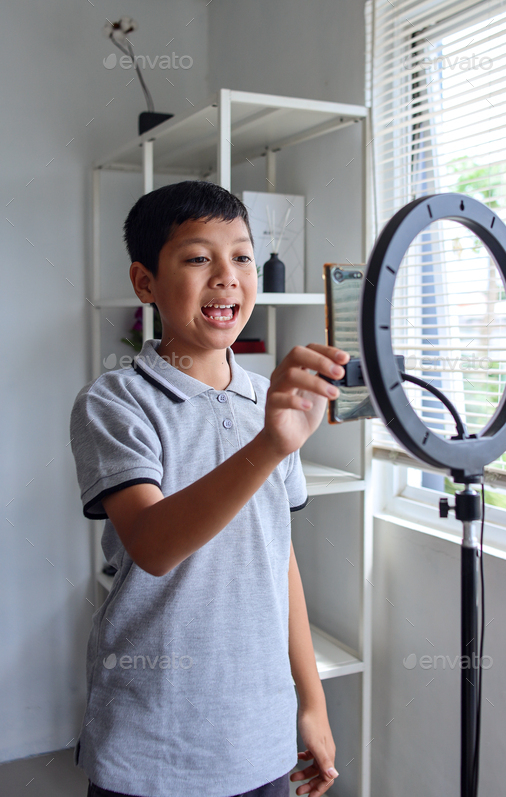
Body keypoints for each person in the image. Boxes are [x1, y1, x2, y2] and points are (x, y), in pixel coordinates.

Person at [69, 180, 348, 797]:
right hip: (152, 739)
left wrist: (312, 698)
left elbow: (281, 559)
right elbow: (152, 544)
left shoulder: (269, 403)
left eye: (242, 257)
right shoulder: (115, 403)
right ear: (145, 283)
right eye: (198, 258)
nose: (226, 276)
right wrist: (270, 445)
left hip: (261, 730)